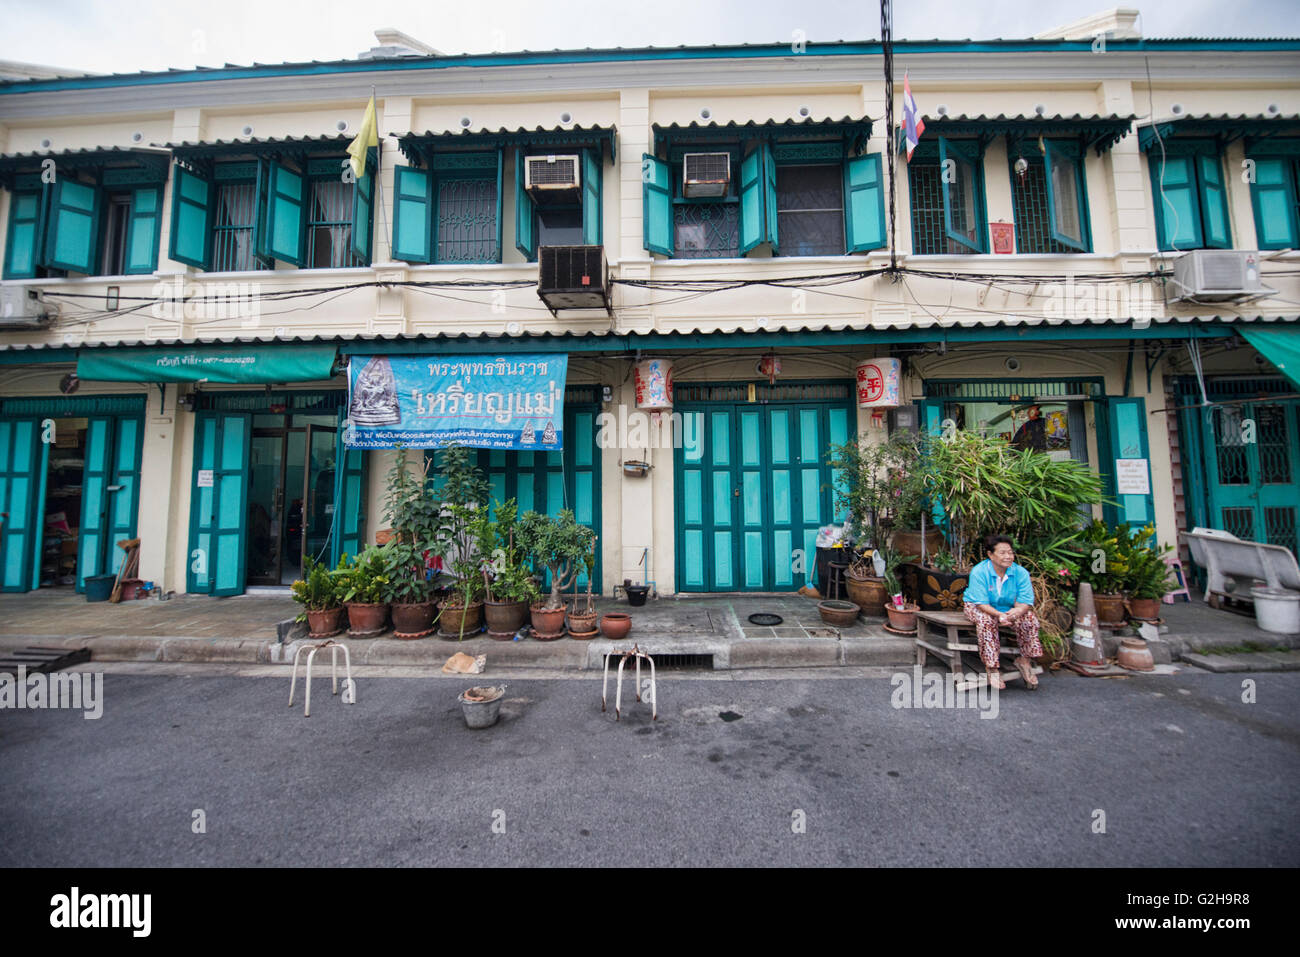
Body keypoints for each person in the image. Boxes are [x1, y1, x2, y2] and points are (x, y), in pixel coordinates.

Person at [961, 535, 1042, 690]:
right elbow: (981, 603)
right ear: (990, 555)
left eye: (1010, 553)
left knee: (1029, 619)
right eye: (1003, 553)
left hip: (1007, 608)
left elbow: (1024, 601)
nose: (1008, 556)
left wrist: (1016, 612)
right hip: (978, 607)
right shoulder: (979, 571)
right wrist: (999, 615)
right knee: (986, 621)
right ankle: (991, 667)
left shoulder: (1020, 573)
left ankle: (1024, 661)